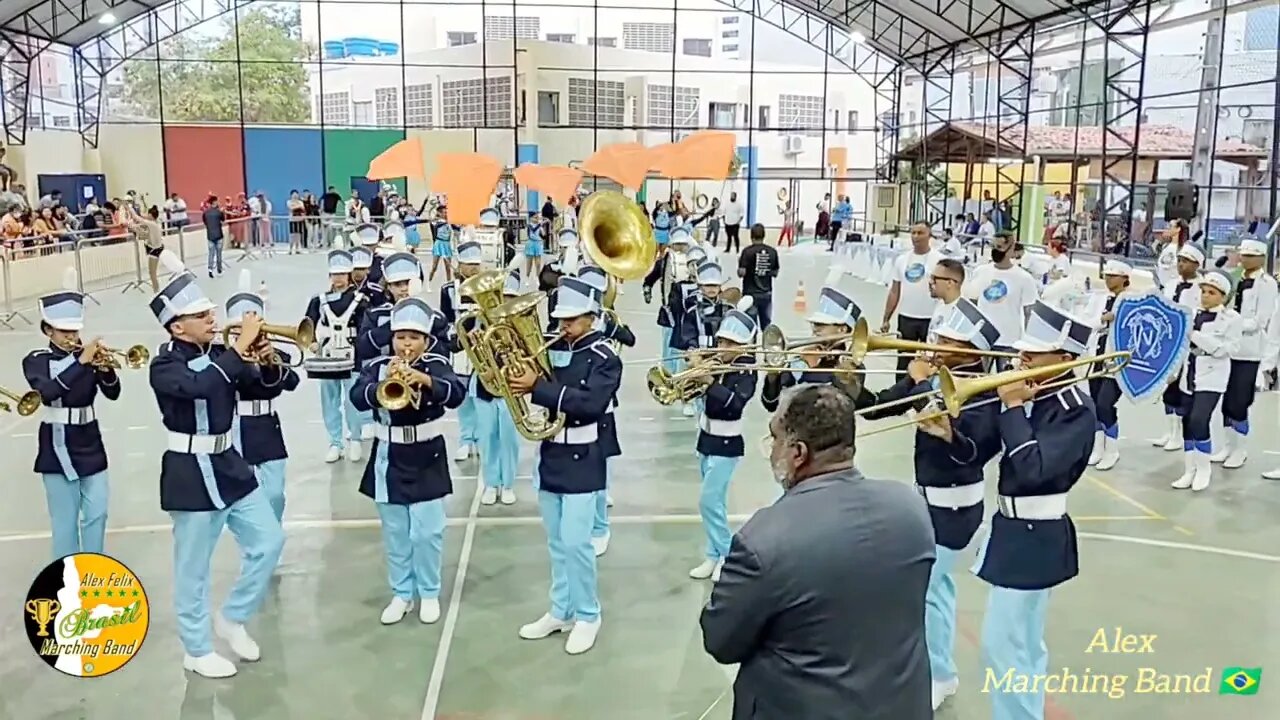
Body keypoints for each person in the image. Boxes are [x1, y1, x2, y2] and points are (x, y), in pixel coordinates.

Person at [700, 383, 934, 720]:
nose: (771, 451)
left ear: (798, 453)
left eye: (775, 439)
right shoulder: (911, 508)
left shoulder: (763, 541)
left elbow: (721, 640)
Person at [862, 299, 1004, 710]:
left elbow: (978, 451)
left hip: (957, 507)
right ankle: (930, 665)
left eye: (948, 340)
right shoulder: (935, 375)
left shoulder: (986, 391)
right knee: (927, 588)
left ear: (973, 352)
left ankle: (941, 673)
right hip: (927, 497)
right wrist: (909, 381)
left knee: (933, 591)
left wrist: (927, 392)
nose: (936, 343)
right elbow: (880, 408)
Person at [148, 269, 285, 678]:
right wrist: (238, 348)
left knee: (270, 540)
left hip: (230, 465)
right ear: (178, 326)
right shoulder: (164, 365)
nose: (213, 318)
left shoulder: (224, 354)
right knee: (193, 568)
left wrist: (264, 358)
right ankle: (196, 648)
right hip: (189, 472)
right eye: (202, 314)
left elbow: (265, 386)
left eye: (211, 312)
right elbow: (199, 386)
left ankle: (233, 616)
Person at [973, 299, 1095, 720]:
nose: (1021, 358)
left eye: (1033, 353)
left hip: (1035, 533)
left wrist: (1011, 407)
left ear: (1064, 359)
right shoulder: (1036, 393)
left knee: (1004, 647)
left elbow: (1032, 469)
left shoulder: (1074, 408)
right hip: (1012, 528)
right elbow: (985, 450)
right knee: (1021, 642)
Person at [509, 276, 622, 655]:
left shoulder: (607, 358)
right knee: (557, 544)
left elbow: (589, 403)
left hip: (584, 459)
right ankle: (561, 610)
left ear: (591, 317)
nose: (563, 328)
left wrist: (537, 387)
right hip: (551, 455)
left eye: (572, 321)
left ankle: (589, 614)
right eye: (560, 321)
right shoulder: (553, 349)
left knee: (577, 544)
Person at [351, 297, 466, 624]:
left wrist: (424, 380)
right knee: (396, 533)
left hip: (427, 455)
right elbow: (357, 398)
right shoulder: (377, 366)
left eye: (414, 337)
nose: (406, 344)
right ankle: (402, 593)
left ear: (426, 341)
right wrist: (379, 385)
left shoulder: (435, 364)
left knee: (427, 532)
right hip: (387, 457)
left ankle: (429, 592)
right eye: (401, 337)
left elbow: (456, 394)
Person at [24, 270, 120, 559]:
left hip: (90, 442)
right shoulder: (36, 360)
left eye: (75, 331)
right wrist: (81, 361)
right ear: (48, 331)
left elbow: (113, 393)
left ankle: (93, 574)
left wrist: (105, 369)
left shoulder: (87, 358)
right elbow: (49, 392)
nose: (72, 337)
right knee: (65, 526)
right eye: (65, 332)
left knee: (97, 515)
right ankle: (65, 584)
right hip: (55, 447)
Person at [688, 302, 758, 581]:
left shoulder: (747, 371)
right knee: (713, 504)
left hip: (727, 443)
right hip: (705, 438)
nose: (723, 346)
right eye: (721, 340)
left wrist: (709, 382)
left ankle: (728, 555)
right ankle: (713, 554)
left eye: (730, 342)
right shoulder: (717, 364)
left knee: (709, 501)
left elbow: (734, 405)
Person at [226, 272, 301, 522]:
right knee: (243, 495)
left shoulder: (274, 351)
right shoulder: (222, 356)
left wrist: (270, 361)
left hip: (267, 427)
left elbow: (292, 383)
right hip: (235, 427)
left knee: (275, 493)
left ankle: (273, 531)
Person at [575, 264, 636, 553]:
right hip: (573, 407)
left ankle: (600, 527)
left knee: (598, 466)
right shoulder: (567, 327)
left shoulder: (605, 322)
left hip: (601, 405)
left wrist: (610, 327)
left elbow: (630, 340)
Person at [1172, 270, 1241, 492]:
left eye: (1211, 292)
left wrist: (1195, 335)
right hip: (1188, 373)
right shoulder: (1190, 314)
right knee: (1186, 421)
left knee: (1199, 419)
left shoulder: (1232, 319)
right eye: (1203, 291)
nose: (1205, 296)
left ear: (1223, 296)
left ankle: (1203, 469)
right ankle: (1189, 469)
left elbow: (1226, 349)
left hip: (1212, 375)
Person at [1213, 239, 1276, 469]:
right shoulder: (1235, 278)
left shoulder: (1266, 283)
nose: (1244, 259)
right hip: (1229, 348)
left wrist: (1233, 323)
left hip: (1249, 352)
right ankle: (1228, 446)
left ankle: (1241, 449)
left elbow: (1261, 320)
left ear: (1261, 258)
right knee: (1226, 402)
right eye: (1243, 254)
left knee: (1240, 402)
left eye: (1250, 255)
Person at [305, 250, 371, 463]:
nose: (339, 278)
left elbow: (365, 329)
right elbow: (306, 326)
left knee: (352, 400)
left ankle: (356, 439)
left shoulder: (361, 300)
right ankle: (335, 442)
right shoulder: (319, 300)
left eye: (342, 273)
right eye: (335, 274)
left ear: (349, 274)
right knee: (329, 402)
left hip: (352, 358)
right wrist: (312, 344)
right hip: (327, 359)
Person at [467, 268, 525, 506]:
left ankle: (508, 483)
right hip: (485, 388)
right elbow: (465, 349)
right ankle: (491, 483)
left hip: (512, 388)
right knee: (487, 436)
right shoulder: (476, 322)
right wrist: (484, 369)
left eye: (509, 298)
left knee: (509, 438)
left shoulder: (520, 323)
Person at [1149, 243, 1204, 451]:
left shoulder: (1202, 287)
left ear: (1197, 264)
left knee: (1181, 388)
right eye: (1180, 260)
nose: (1181, 265)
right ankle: (1169, 430)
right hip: (1169, 341)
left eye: (1186, 261)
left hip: (1187, 344)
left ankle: (1179, 434)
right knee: (1167, 390)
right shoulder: (1171, 285)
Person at [438, 240, 485, 461]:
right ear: (460, 265)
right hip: (460, 350)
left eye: (476, 263)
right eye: (468, 264)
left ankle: (483, 439)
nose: (473, 268)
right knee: (464, 397)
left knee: (484, 397)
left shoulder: (487, 285)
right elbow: (445, 320)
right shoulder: (448, 290)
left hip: (485, 348)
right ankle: (467, 439)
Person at [880, 224, 942, 381]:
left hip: (932, 319)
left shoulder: (939, 261)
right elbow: (895, 291)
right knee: (903, 361)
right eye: (913, 233)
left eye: (920, 233)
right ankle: (899, 398)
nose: (916, 236)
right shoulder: (902, 260)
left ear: (929, 235)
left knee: (931, 362)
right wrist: (886, 318)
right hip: (907, 317)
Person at [963, 233, 1039, 358]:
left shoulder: (1024, 278)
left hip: (1009, 342)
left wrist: (1027, 343)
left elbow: (1029, 312)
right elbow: (972, 302)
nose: (995, 250)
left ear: (1012, 249)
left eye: (999, 246)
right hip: (982, 339)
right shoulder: (980, 271)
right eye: (993, 246)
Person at [1088, 260, 1131, 471]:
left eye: (1113, 276)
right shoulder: (1100, 298)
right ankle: (1098, 447)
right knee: (1094, 405)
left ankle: (1112, 449)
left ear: (1124, 279)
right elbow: (1091, 322)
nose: (1108, 280)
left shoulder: (1130, 301)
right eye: (1106, 275)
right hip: (1096, 358)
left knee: (1106, 404)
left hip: (1116, 363)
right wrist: (1103, 319)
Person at [737, 223, 779, 328]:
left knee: (750, 325)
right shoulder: (772, 251)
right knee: (766, 325)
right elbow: (775, 273)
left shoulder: (747, 252)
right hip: (766, 293)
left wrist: (741, 265)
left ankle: (753, 343)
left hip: (750, 294)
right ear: (764, 235)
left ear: (751, 236)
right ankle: (766, 343)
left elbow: (741, 273)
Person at [926, 258, 965, 342]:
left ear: (950, 283)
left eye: (934, 279)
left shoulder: (960, 315)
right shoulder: (940, 304)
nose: (930, 282)